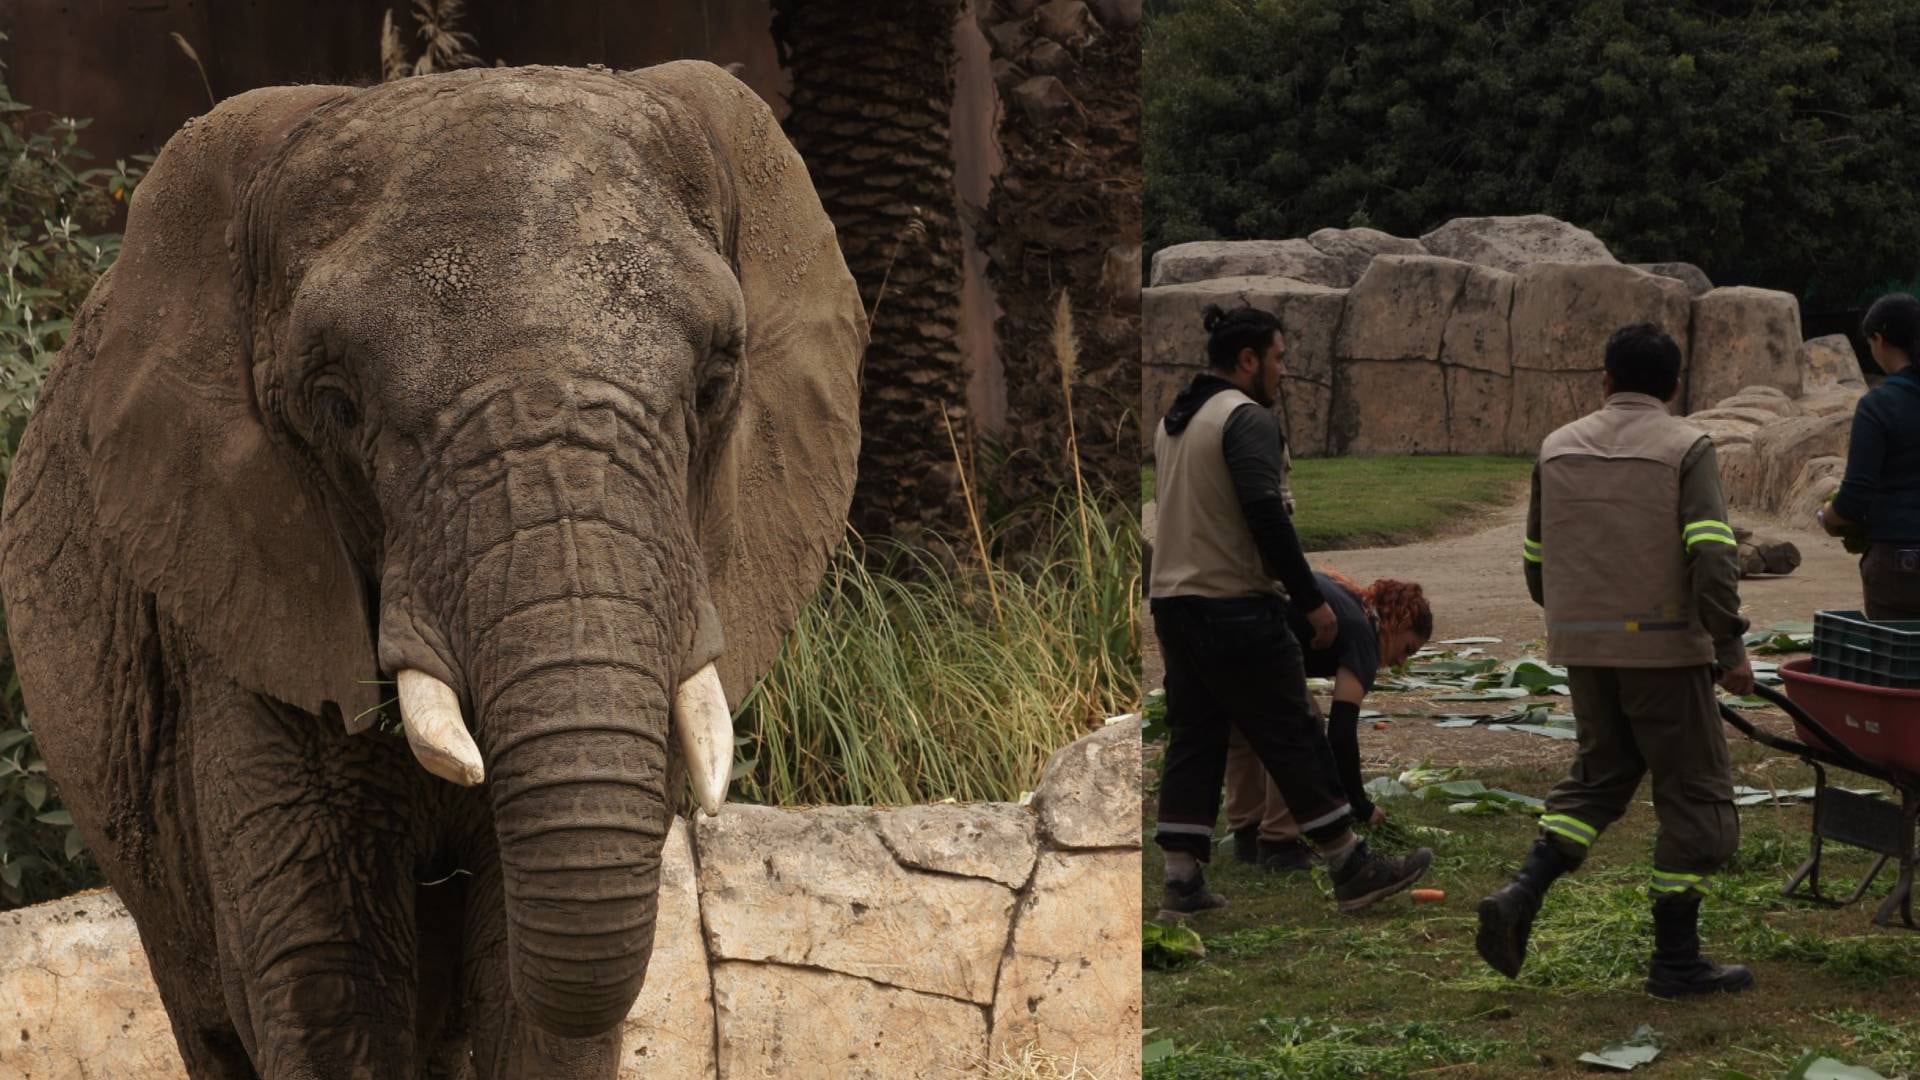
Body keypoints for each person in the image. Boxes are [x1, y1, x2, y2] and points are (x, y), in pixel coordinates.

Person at [1475, 323, 1755, 998]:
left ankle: (1523, 891)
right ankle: (1676, 959)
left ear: (1604, 380)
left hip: (1581, 645)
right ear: (1676, 386)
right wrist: (1729, 644)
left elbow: (1536, 558)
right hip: (1663, 651)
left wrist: (1572, 622)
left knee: (1601, 776)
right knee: (1695, 797)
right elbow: (1713, 553)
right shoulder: (1687, 445)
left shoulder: (1557, 446)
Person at [1149, 303, 1432, 917]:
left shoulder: (1176, 420)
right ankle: (1349, 863)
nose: (1284, 372)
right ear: (1248, 359)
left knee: (1196, 736)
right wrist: (1309, 600)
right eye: (1279, 358)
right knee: (1293, 731)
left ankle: (1182, 882)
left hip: (1173, 602)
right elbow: (1264, 512)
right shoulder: (1246, 419)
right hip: (1234, 603)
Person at [1224, 571, 1434, 870]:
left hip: (1223, 622)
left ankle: (1246, 833)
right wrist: (1360, 804)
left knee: (1244, 727)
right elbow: (1341, 732)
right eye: (1408, 649)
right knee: (1302, 726)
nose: (1402, 661)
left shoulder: (1348, 599)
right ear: (1397, 622)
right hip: (1260, 634)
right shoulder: (1365, 635)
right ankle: (1278, 842)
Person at [1818, 293, 1920, 618]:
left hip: (1899, 564)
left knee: (1896, 662)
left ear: (1878, 339)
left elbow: (1855, 498)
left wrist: (1828, 516)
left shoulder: (1878, 405)